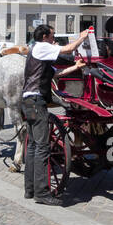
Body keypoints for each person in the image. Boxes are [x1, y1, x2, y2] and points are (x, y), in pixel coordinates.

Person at [21, 25, 90, 206]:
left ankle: (30, 189)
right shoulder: (42, 46)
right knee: (43, 147)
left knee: (33, 146)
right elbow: (68, 49)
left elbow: (56, 73)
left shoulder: (36, 52)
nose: (54, 39)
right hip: (36, 101)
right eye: (52, 36)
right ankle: (42, 193)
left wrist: (75, 66)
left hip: (28, 101)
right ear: (45, 36)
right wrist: (83, 37)